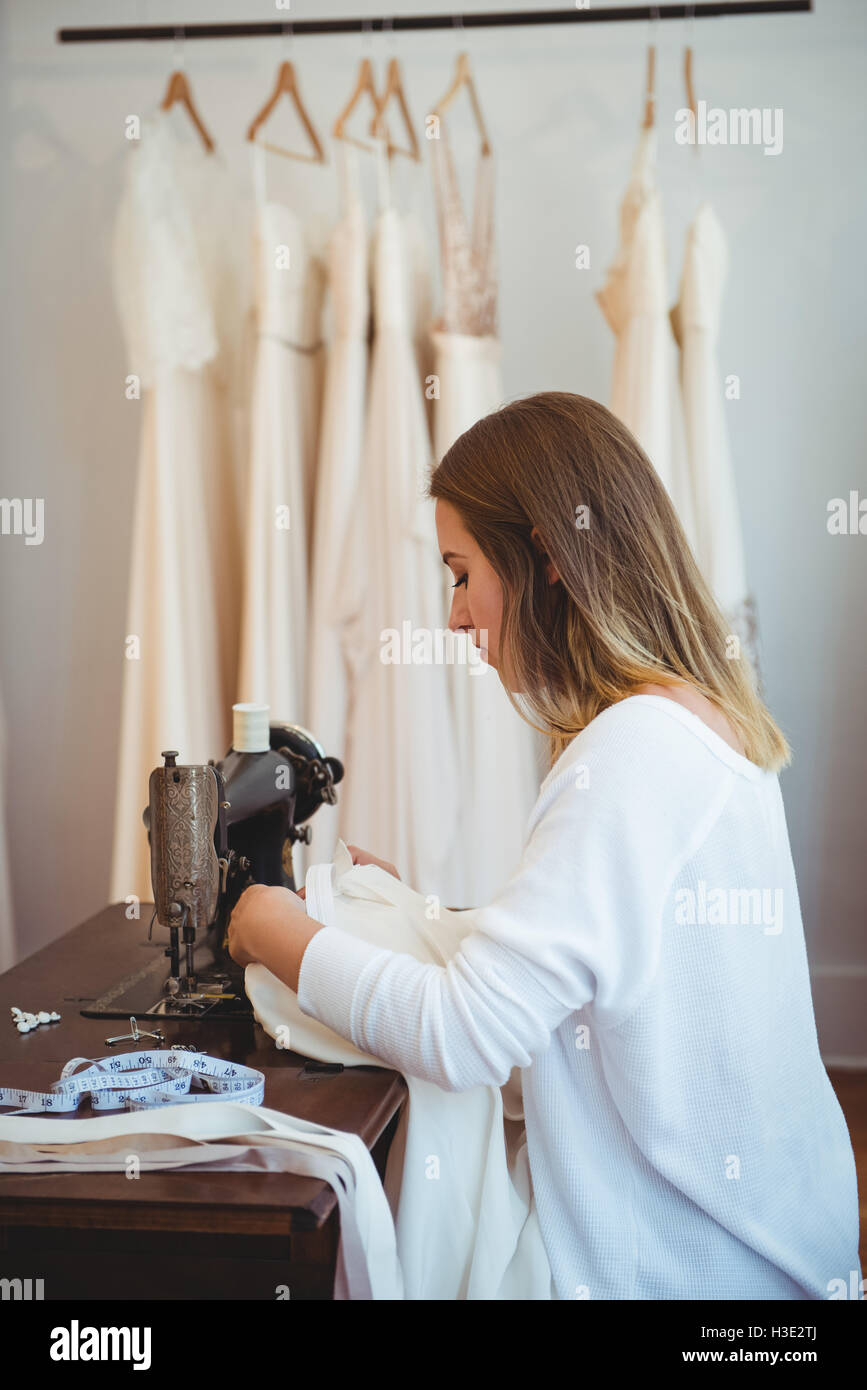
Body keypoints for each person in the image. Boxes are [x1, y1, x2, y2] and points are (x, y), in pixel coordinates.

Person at [228, 391, 861, 1301]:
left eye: (461, 572)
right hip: (765, 1256)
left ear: (548, 559)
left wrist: (274, 930)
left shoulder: (632, 753)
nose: (454, 616)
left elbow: (466, 1036)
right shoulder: (693, 721)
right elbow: (610, 971)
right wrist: (425, 917)